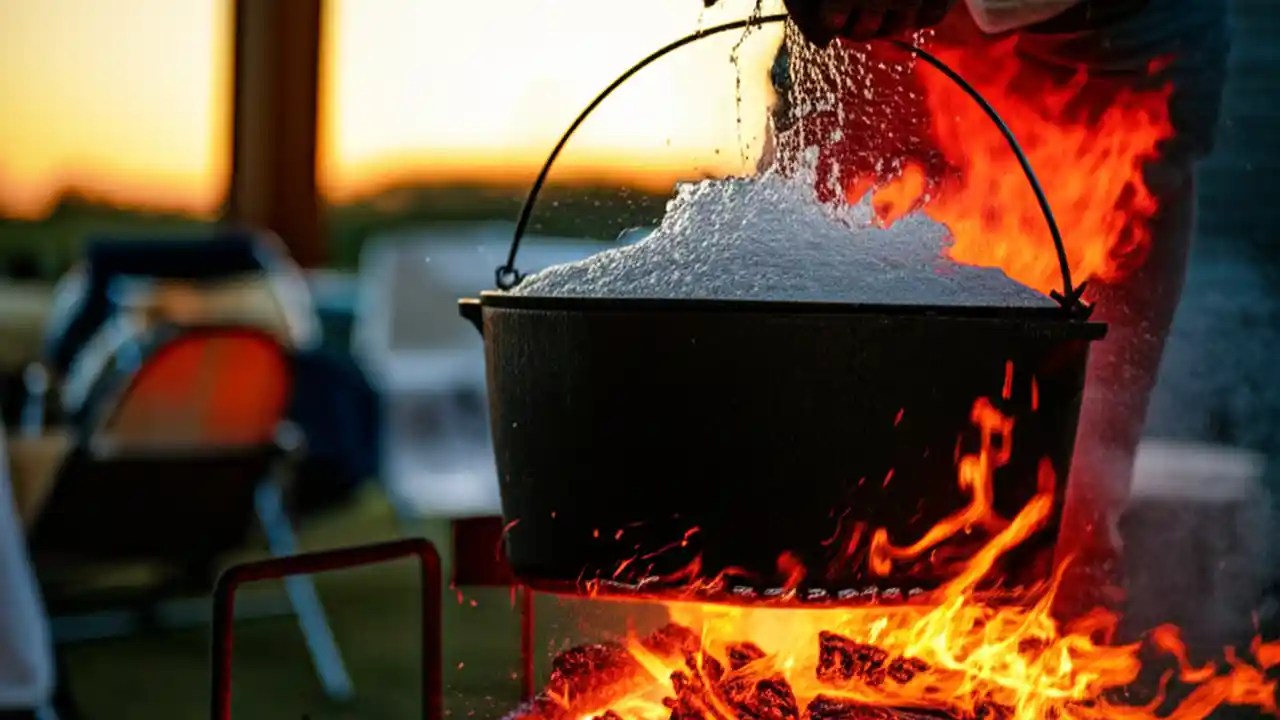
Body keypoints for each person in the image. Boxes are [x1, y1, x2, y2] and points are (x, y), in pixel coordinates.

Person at [734, 0, 1230, 617]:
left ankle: (1057, 606)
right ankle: (780, 633)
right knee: (802, 464)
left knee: (1064, 505)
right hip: (865, 42)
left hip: (1104, 47)